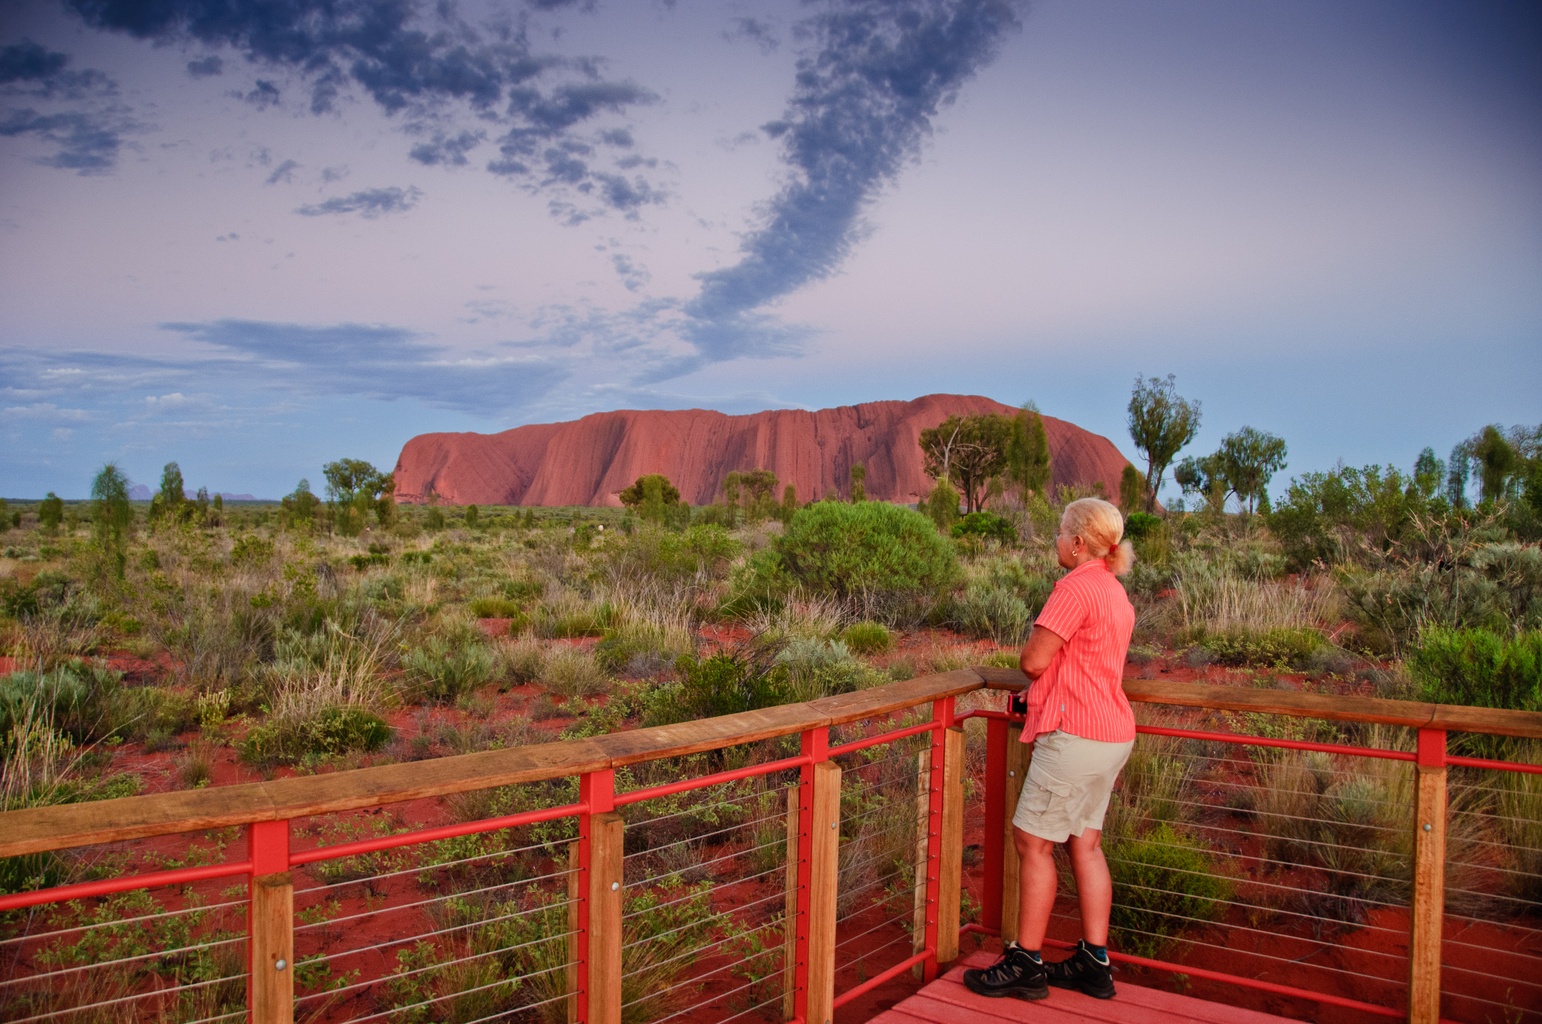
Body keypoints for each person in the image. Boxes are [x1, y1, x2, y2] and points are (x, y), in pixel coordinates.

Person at [963, 497, 1137, 1002]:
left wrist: (1033, 681)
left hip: (1075, 736)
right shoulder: (1114, 592)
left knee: (1031, 842)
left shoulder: (1075, 587)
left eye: (1061, 533)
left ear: (1078, 543)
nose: (1056, 541)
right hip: (1111, 732)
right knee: (1085, 844)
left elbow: (1035, 660)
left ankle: (1026, 963)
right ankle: (1093, 963)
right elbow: (1082, 664)